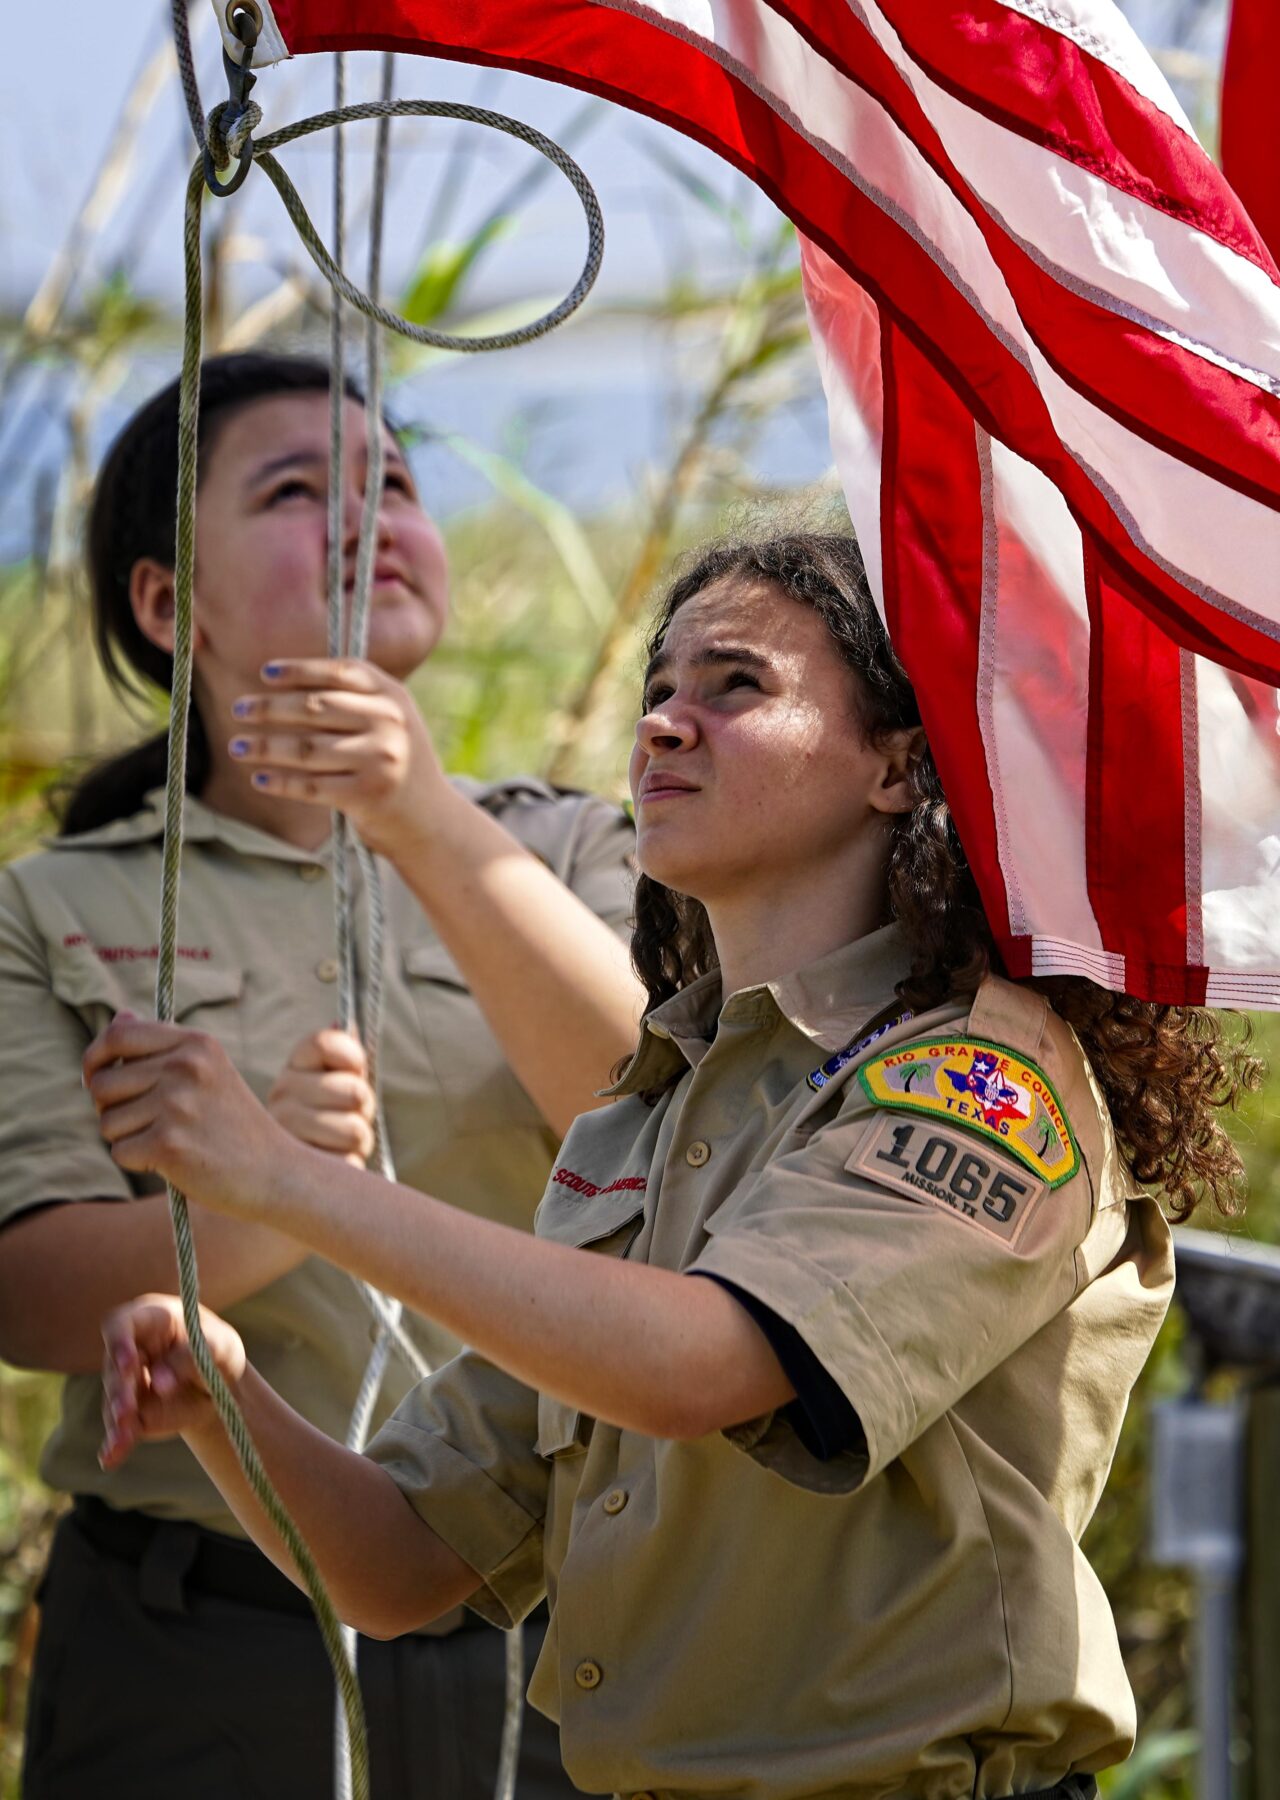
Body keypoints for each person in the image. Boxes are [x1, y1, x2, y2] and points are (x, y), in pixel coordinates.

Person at [87, 533, 1260, 1800]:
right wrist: (223, 1406)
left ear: (897, 761)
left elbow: (694, 1363)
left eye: (733, 687)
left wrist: (293, 1183)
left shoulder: (983, 1079)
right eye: (656, 694)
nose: (662, 727)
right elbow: (401, 1563)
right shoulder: (646, 1112)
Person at [0, 352, 643, 1799]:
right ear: (171, 604)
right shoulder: (47, 907)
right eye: (296, 490)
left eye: (396, 484)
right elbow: (30, 1297)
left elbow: (660, 1137)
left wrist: (417, 816)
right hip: (203, 1640)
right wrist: (266, 1201)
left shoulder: (570, 855)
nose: (366, 520)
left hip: (562, 1626)